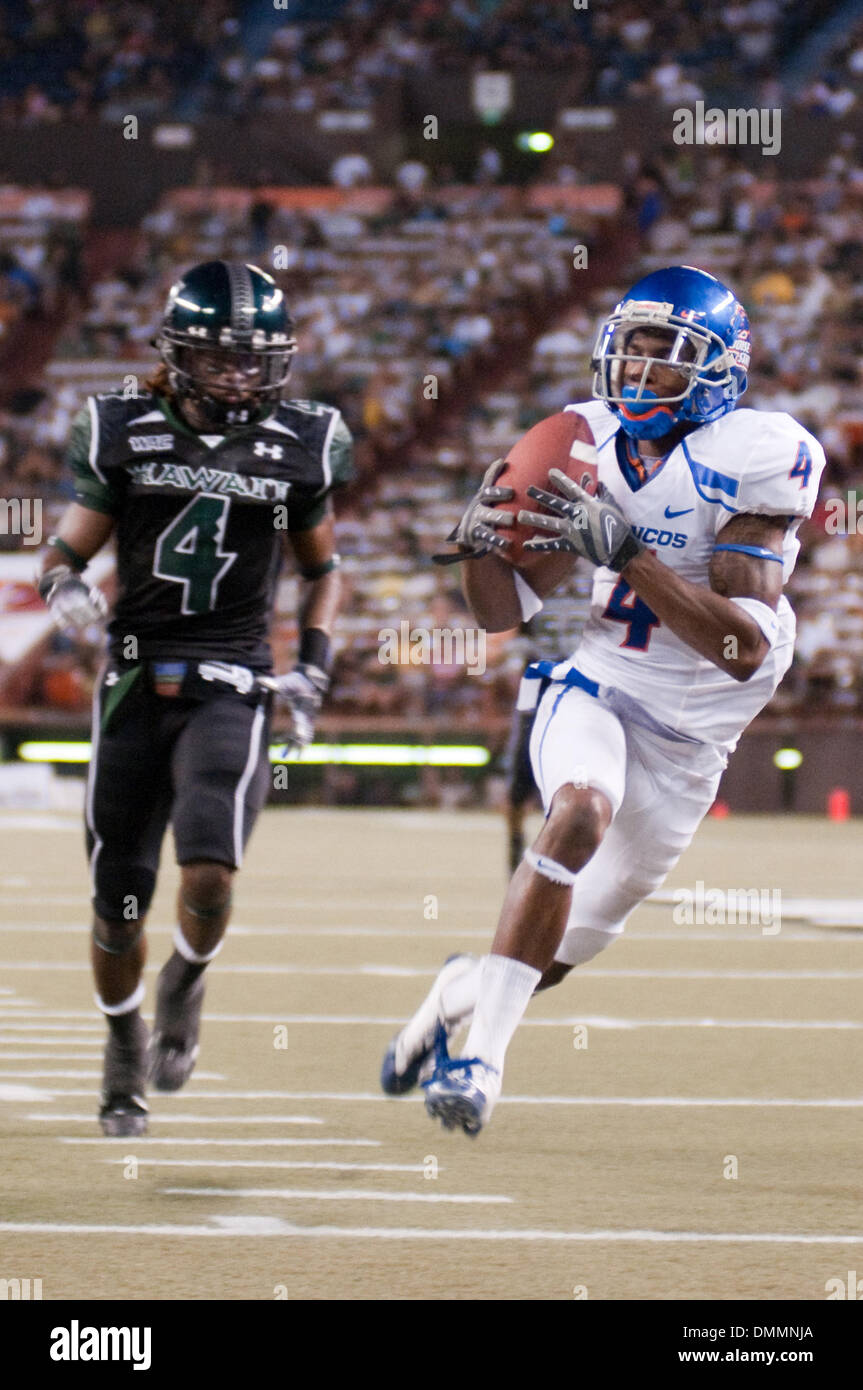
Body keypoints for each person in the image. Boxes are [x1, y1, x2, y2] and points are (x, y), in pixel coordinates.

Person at [381, 265, 824, 1135]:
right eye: (632, 350)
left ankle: (459, 991)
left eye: (667, 357)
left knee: (554, 955)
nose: (641, 372)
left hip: (696, 731)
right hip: (600, 684)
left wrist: (627, 553)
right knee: (579, 810)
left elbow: (736, 646)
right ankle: (480, 1065)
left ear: (719, 369)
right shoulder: (581, 441)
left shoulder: (757, 454)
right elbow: (503, 613)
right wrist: (480, 549)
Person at [36, 260, 353, 1137]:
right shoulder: (121, 427)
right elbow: (65, 551)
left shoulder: (302, 439)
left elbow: (324, 572)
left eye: (256, 359)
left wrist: (314, 664)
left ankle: (184, 976)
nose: (242, 376)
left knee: (210, 866)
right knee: (117, 902)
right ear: (177, 356)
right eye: (221, 358)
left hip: (233, 679)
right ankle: (119, 1039)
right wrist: (63, 588)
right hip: (137, 678)